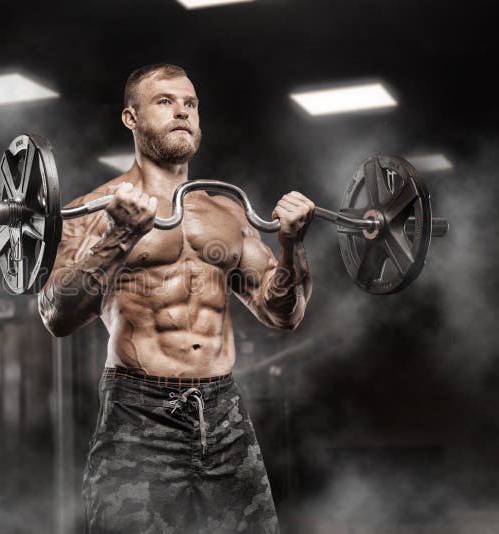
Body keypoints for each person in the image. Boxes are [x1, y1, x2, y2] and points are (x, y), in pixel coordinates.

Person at [38, 63, 314, 533]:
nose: (182, 112)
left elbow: (281, 312)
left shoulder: (226, 212)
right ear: (131, 118)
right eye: (165, 102)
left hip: (223, 410)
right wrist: (120, 237)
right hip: (138, 412)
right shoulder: (94, 211)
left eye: (190, 104)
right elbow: (57, 315)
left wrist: (292, 244)